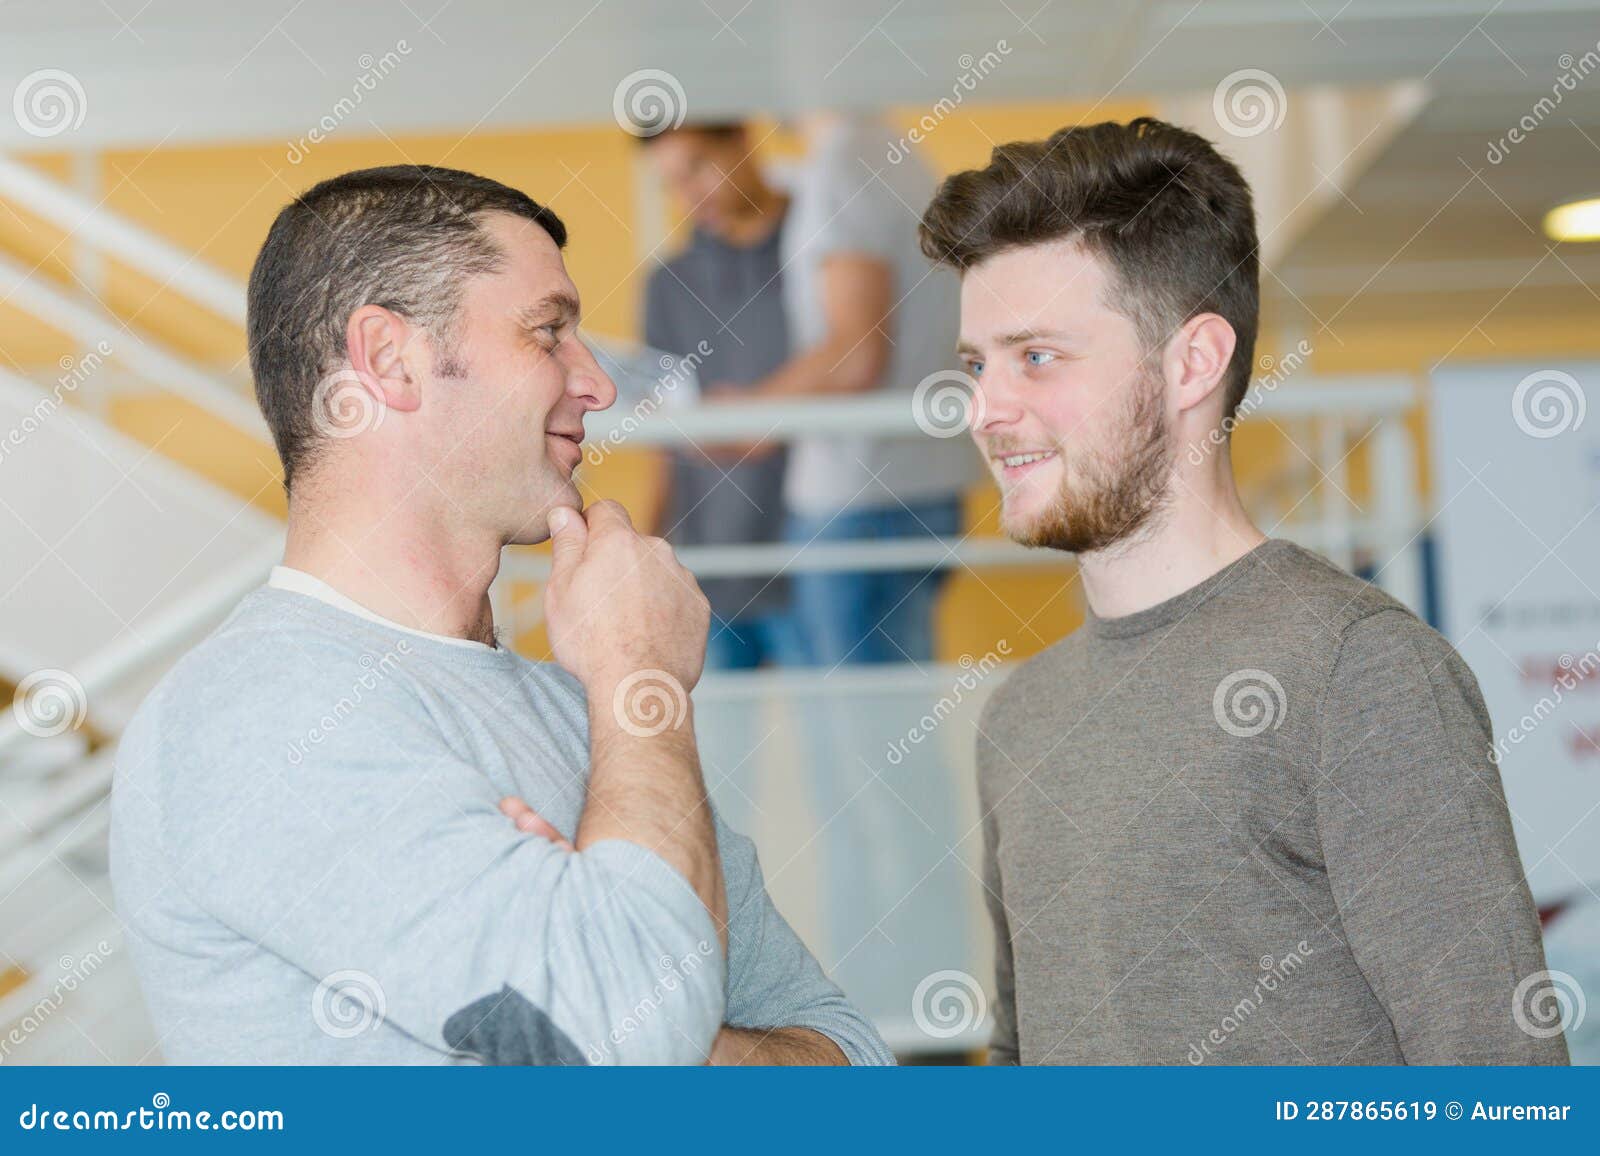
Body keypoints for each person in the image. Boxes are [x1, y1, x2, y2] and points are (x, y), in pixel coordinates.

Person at [109, 165, 892, 1067]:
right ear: (390, 359)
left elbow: (851, 1058)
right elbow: (621, 1036)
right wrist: (641, 673)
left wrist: (626, 975)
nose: (597, 383)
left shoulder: (583, 711)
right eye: (549, 331)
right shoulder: (253, 715)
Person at [918, 119, 1568, 1065]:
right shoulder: (1022, 717)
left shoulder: (1359, 671)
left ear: (1192, 362)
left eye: (1037, 357)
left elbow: (1502, 1088)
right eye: (977, 364)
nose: (986, 409)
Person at [738, 112, 979, 666]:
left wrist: (749, 416)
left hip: (860, 499)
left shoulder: (846, 165)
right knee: (886, 722)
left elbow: (855, 354)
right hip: (916, 486)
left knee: (856, 735)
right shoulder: (898, 157)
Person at [639, 122, 799, 670]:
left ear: (744, 141)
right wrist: (648, 547)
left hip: (814, 548)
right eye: (673, 182)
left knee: (848, 739)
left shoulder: (821, 252)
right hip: (710, 561)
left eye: (698, 167)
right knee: (720, 749)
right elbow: (664, 433)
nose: (690, 195)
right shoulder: (667, 283)